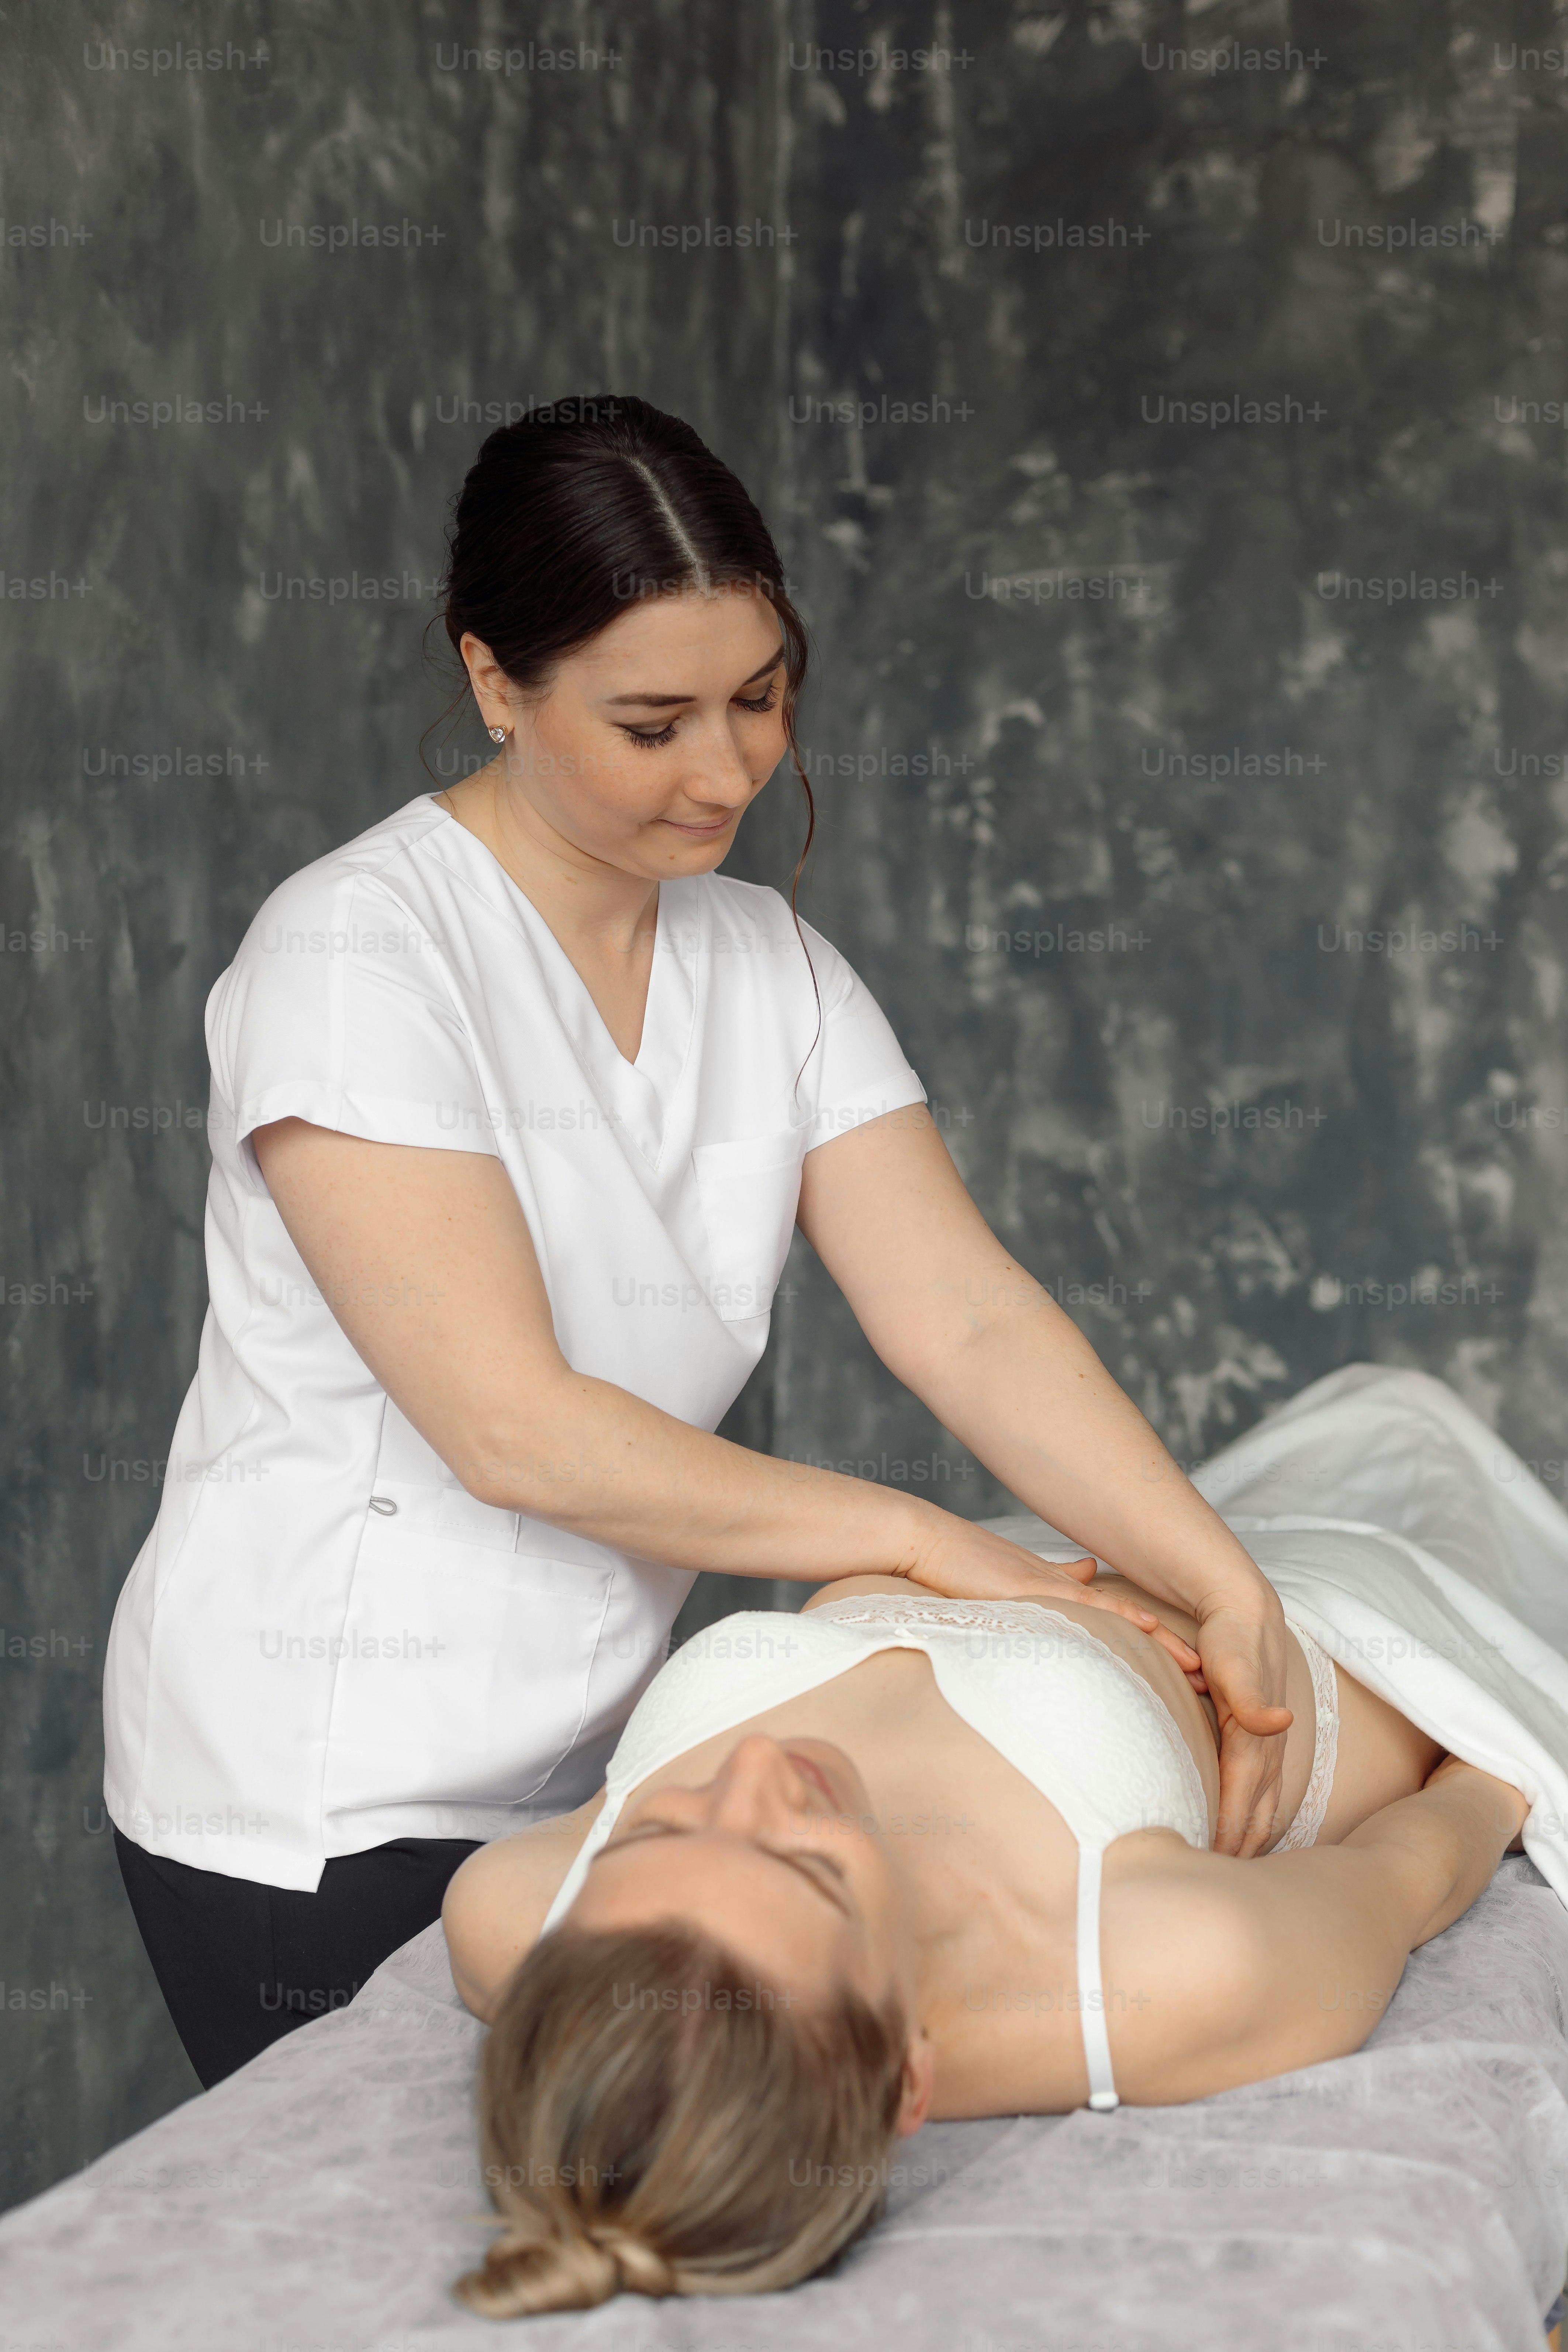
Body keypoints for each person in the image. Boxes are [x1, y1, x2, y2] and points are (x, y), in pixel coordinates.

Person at [102, 394, 1290, 2092]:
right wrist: (928, 1539)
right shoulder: (355, 958)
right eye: (651, 722)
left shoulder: (767, 968)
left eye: (759, 697)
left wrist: (1217, 1581)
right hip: (318, 1788)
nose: (728, 770)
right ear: (493, 681)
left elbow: (962, 1314)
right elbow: (510, 1426)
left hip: (605, 1771)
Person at [440, 1493, 1531, 2316]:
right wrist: (1501, 1773)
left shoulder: (514, 1915)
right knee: (1435, 1474)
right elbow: (1415, 1871)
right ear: (910, 2074)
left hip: (1044, 1520)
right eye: (809, 1866)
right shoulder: (1159, 1969)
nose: (758, 1765)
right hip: (1324, 1617)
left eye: (663, 1826)